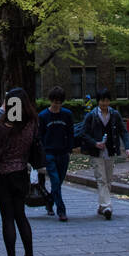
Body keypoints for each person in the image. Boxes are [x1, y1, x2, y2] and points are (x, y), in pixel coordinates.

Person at [0, 87, 46, 256]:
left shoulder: (3, 126)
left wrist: (1, 112)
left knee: (7, 218)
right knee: (21, 216)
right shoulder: (32, 122)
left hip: (3, 175)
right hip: (21, 173)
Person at [79, 88, 129, 219]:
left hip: (110, 150)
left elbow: (123, 131)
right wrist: (95, 143)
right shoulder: (91, 115)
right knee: (101, 178)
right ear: (98, 101)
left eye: (107, 100)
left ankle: (102, 206)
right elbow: (83, 133)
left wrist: (128, 147)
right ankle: (108, 206)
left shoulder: (114, 114)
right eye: (102, 100)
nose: (104, 103)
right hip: (96, 152)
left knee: (108, 179)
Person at [38, 86, 75, 221]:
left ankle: (49, 201)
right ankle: (61, 210)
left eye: (59, 102)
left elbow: (71, 133)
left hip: (63, 152)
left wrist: (70, 148)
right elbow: (40, 136)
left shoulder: (67, 115)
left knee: (58, 182)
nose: (57, 105)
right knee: (55, 180)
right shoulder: (43, 116)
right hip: (49, 153)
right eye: (55, 102)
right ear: (50, 100)